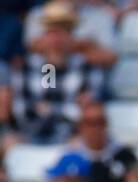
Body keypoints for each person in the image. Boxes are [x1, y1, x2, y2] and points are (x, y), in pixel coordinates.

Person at [7, 2, 107, 145]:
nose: (56, 40)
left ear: (71, 37)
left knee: (84, 143)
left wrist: (49, 110)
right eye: (51, 33)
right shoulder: (27, 67)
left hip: (72, 140)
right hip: (30, 137)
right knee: (10, 143)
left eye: (62, 32)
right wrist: (67, 111)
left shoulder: (88, 67)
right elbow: (23, 113)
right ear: (43, 37)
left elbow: (87, 114)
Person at [63, 100, 137, 182]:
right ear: (80, 126)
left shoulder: (125, 156)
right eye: (89, 123)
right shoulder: (69, 157)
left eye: (100, 122)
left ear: (106, 124)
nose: (95, 128)